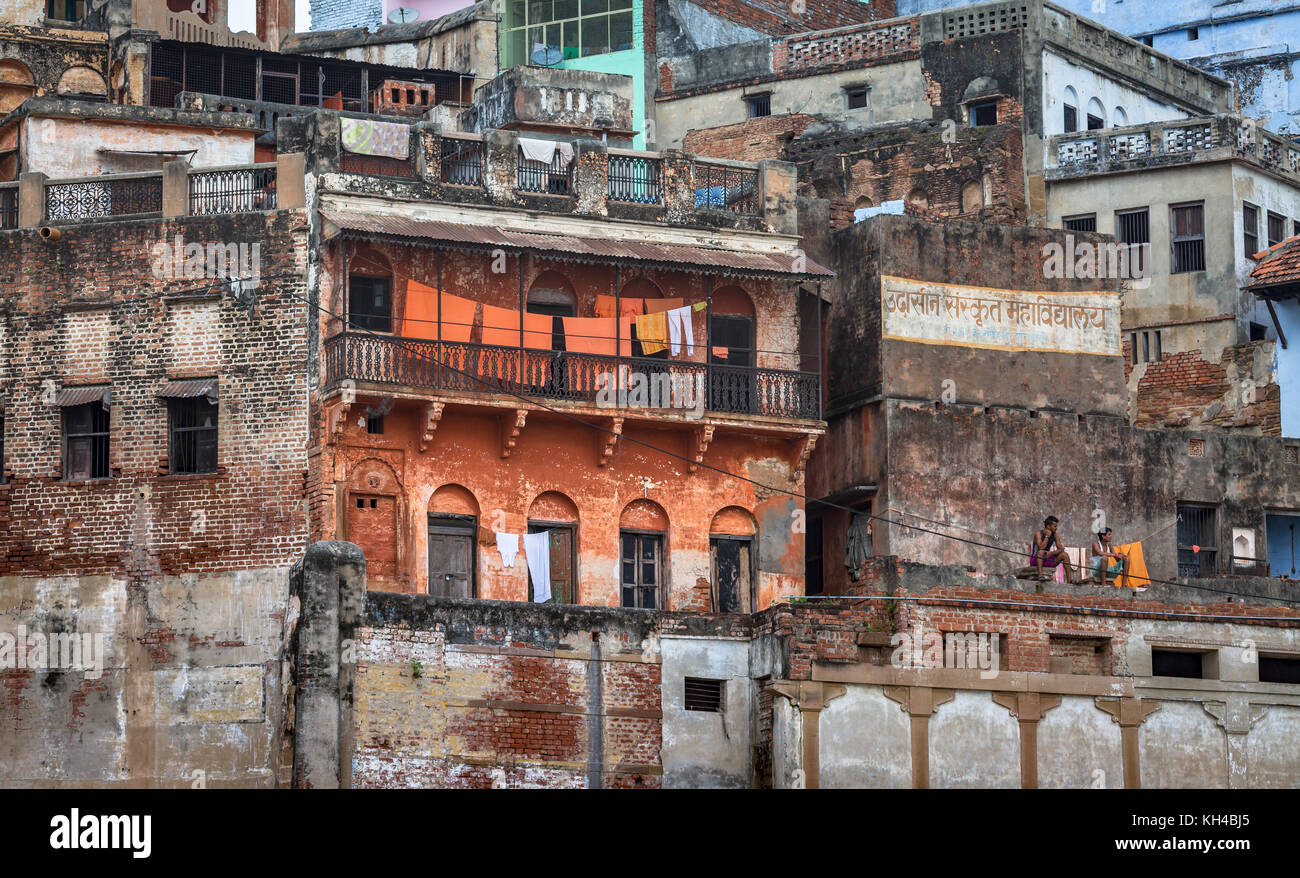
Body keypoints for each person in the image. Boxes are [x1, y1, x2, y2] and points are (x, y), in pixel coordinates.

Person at [1030, 516, 1078, 583]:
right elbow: (1041, 548)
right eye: (1054, 526)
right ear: (1048, 526)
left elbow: (1061, 549)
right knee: (1041, 552)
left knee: (1065, 555)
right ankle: (1040, 576)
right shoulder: (1038, 534)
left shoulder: (1055, 535)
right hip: (1036, 560)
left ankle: (1069, 581)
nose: (1056, 528)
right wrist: (1047, 536)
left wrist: (1051, 553)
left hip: (1047, 559)